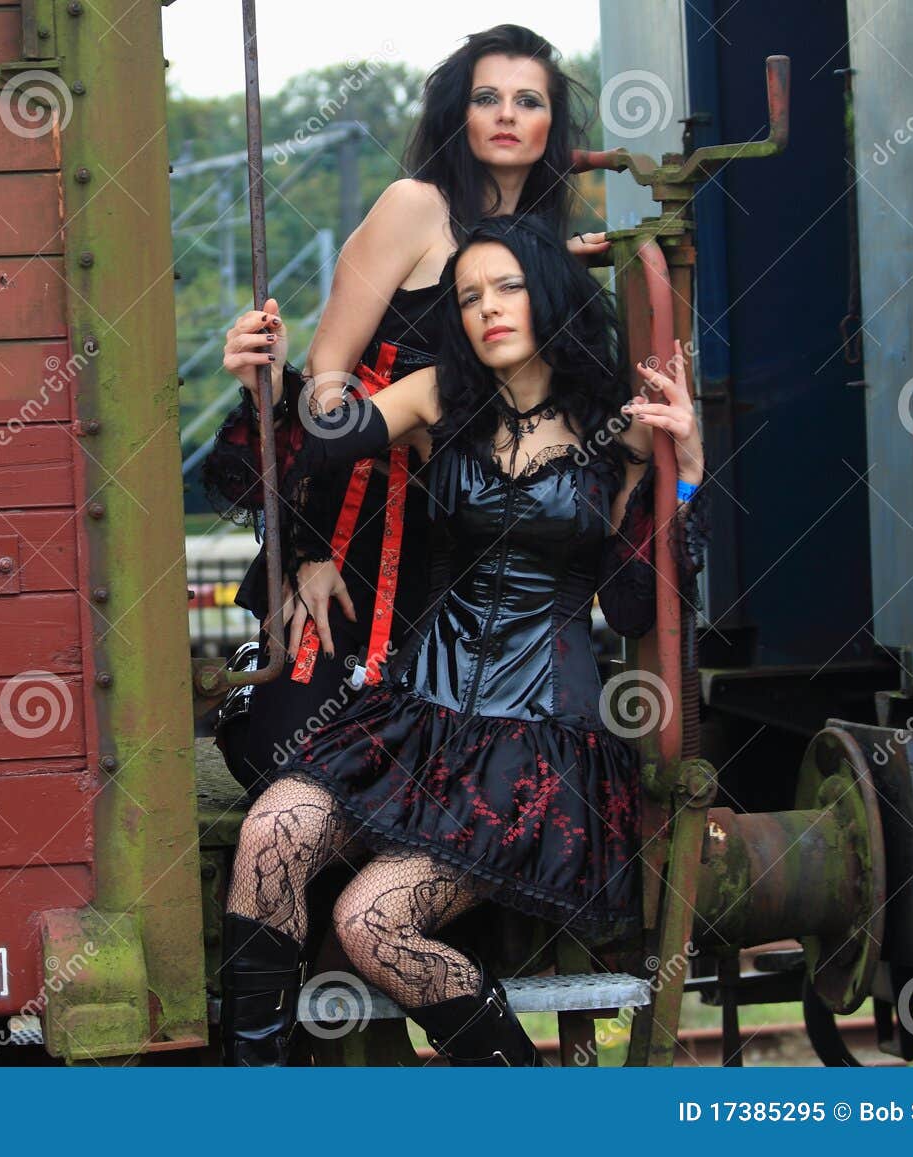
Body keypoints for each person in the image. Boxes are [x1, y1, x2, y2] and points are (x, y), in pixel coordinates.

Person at [217, 213, 712, 1066]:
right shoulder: (437, 397)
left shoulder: (617, 426)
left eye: (508, 287)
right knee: (272, 831)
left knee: (371, 921)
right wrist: (265, 382)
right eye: (470, 295)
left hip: (537, 750)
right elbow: (307, 451)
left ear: (548, 292)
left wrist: (687, 471)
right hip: (415, 718)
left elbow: (633, 605)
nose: (489, 308)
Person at [205, 24, 608, 805]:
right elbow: (328, 378)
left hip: (471, 541)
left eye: (528, 101)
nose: (505, 114)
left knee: (450, 770)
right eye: (486, 97)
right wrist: (312, 549)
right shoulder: (413, 207)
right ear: (459, 114)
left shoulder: (549, 250)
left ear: (550, 125)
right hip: (362, 531)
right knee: (293, 750)